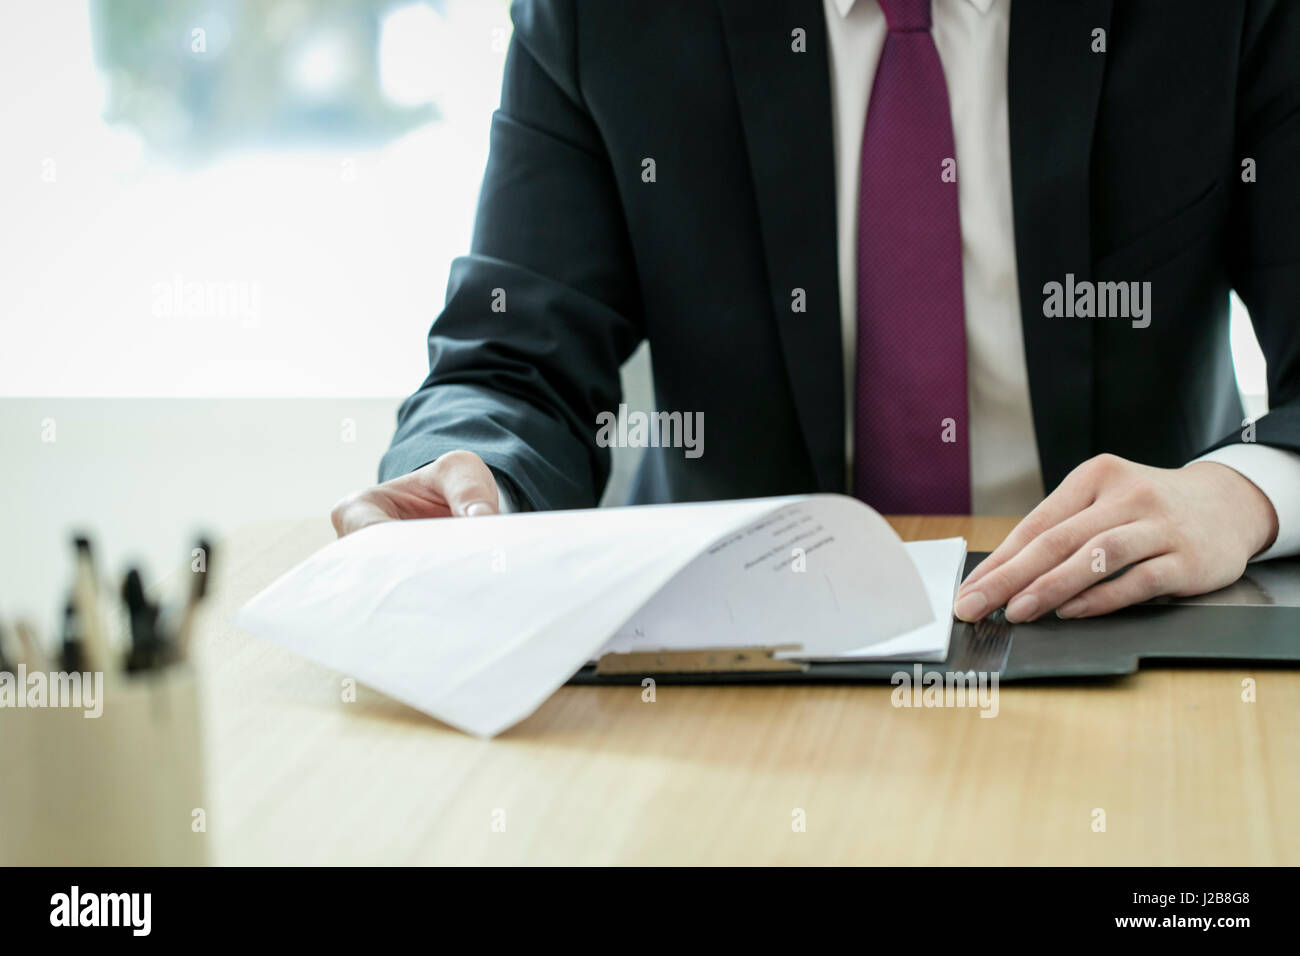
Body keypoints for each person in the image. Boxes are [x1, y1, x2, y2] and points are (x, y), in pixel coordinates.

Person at [331, 0, 1300, 625]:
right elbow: (511, 357)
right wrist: (477, 480)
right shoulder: (607, 18)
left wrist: (1240, 495)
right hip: (726, 640)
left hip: (1127, 617)